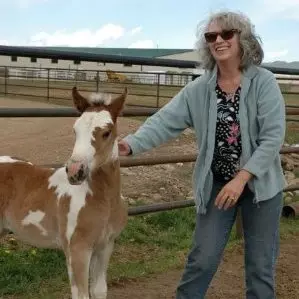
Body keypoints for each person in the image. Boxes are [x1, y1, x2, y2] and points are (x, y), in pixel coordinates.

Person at [118, 10, 286, 299]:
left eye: (226, 34)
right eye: (211, 36)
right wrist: (131, 144)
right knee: (202, 260)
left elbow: (273, 138)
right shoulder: (198, 89)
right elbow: (164, 121)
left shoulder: (264, 83)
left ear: (241, 38)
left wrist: (242, 177)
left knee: (260, 268)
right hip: (218, 187)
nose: (218, 40)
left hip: (261, 189)